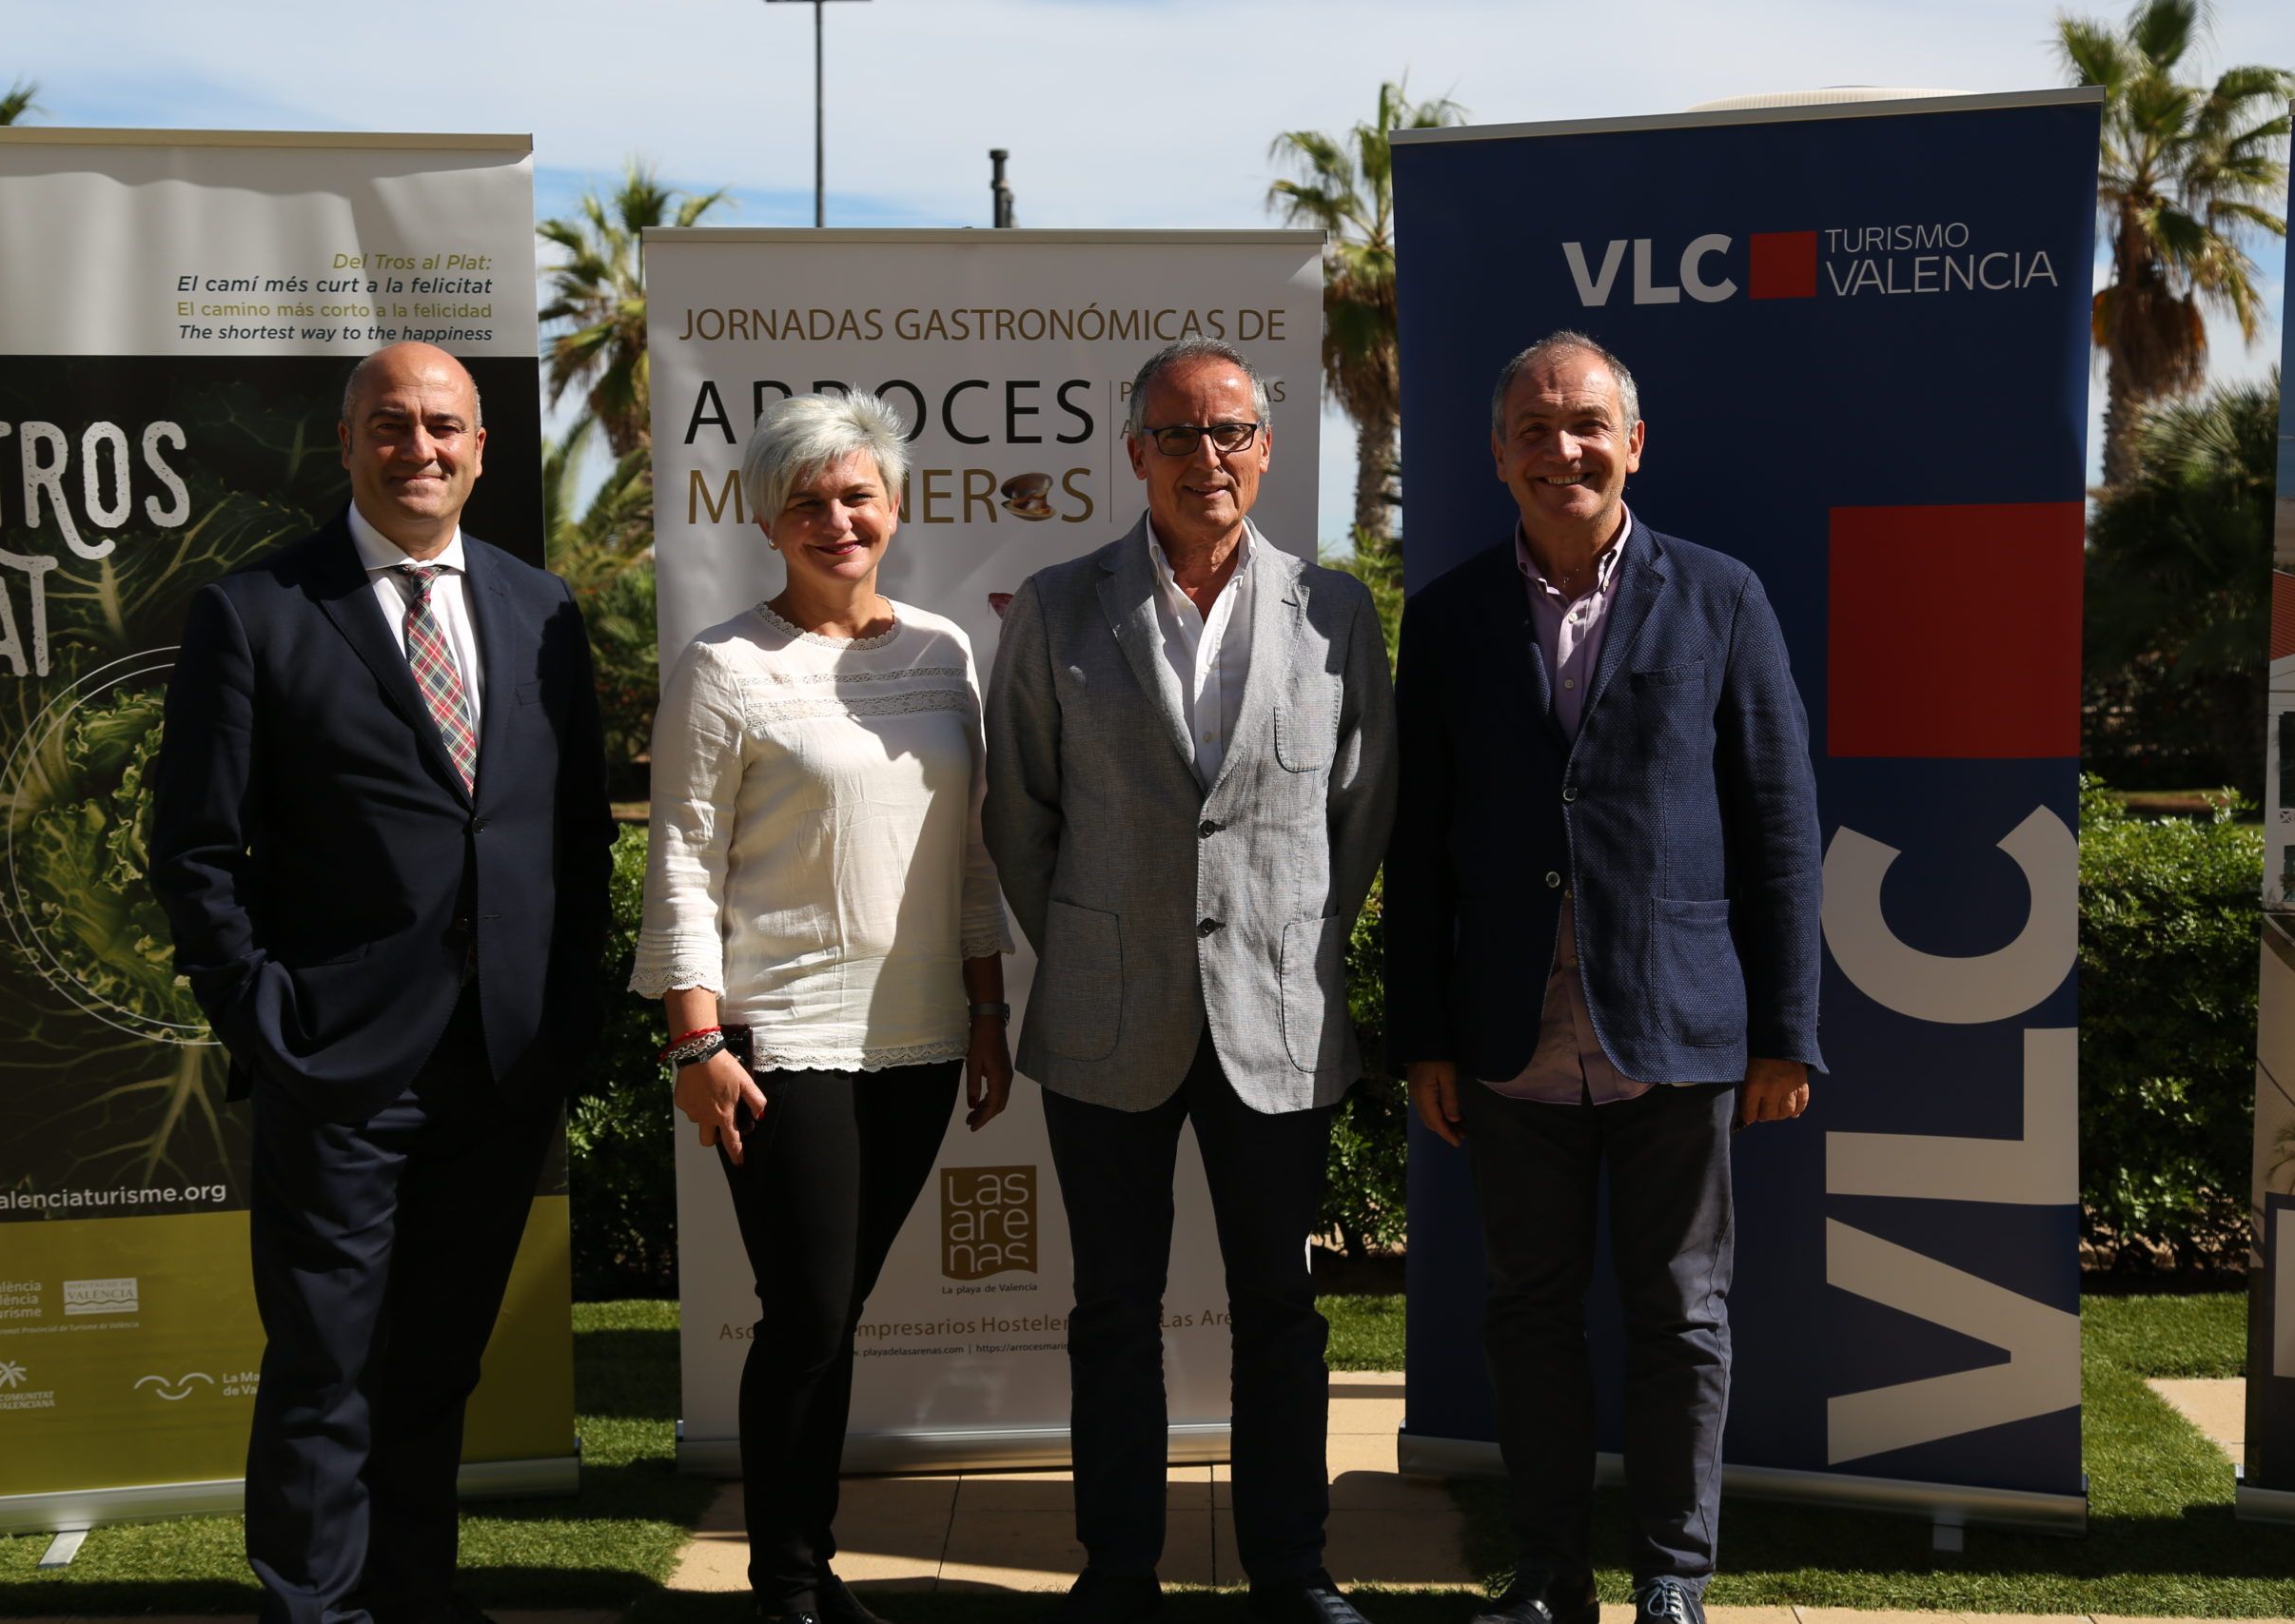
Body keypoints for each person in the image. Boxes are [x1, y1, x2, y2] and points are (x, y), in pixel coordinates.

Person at [149, 342, 616, 1623]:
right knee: (326, 1367)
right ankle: (314, 1610)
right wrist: (262, 1016)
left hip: (503, 1063)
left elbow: (575, 833)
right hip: (339, 1061)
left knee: (434, 1366)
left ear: (479, 448)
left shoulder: (542, 609)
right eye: (392, 425)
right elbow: (193, 851)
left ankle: (414, 1595)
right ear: (348, 442)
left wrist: (565, 1014)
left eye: (446, 427)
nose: (422, 449)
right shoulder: (254, 610)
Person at [1386, 331, 1822, 1624]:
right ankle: (1549, 1571)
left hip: (1679, 1030)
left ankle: (1674, 1578)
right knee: (1526, 1315)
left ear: (1634, 444)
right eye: (1532, 426)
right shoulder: (1452, 613)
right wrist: (1425, 1034)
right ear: (1497, 455)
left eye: (1585, 424)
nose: (1559, 447)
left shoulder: (1721, 596)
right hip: (1510, 1036)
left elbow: (1779, 823)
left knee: (1683, 1316)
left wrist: (1785, 1031)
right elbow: (1420, 846)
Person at [985, 337, 1396, 1624]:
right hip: (1105, 1020)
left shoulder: (1335, 613)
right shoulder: (1058, 607)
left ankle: (1292, 1568)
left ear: (1266, 451)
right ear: (1135, 455)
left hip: (1279, 1019)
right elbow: (1021, 812)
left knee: (1282, 1307)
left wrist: (1291, 938)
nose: (1203, 458)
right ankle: (1117, 1574)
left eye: (1228, 434)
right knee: (1114, 1309)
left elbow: (1361, 811)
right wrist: (1100, 945)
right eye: (1175, 435)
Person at [632, 389, 1014, 1624]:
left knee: (834, 1315)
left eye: (857, 496)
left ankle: (808, 1568)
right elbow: (682, 857)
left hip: (918, 1046)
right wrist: (694, 1035)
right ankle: (789, 1585)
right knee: (805, 1315)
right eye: (809, 500)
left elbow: (965, 856)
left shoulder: (945, 652)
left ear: (895, 508)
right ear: (767, 518)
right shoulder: (725, 667)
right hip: (778, 1046)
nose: (835, 519)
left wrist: (988, 1008)